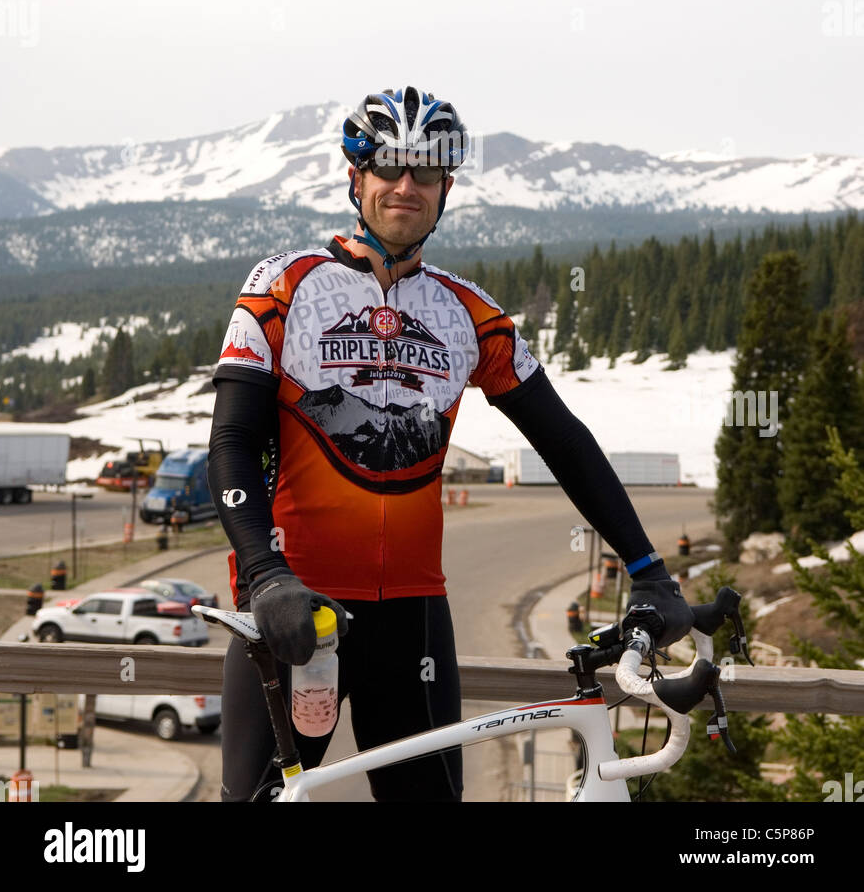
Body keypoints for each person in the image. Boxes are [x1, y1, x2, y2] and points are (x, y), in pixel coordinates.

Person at [208, 86, 692, 802]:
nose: (407, 186)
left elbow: (564, 442)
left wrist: (648, 567)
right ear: (356, 177)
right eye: (390, 167)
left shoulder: (467, 311)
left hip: (413, 620)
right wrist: (265, 571)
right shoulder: (282, 287)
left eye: (426, 173)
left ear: (446, 188)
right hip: (294, 605)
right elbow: (232, 441)